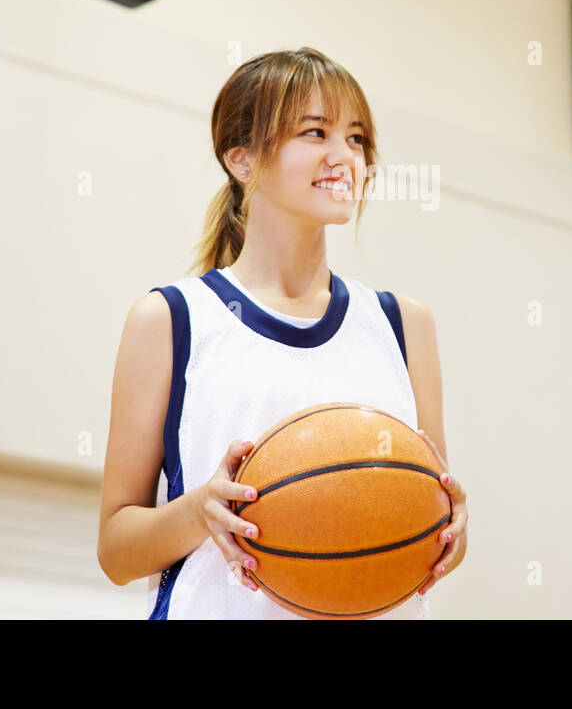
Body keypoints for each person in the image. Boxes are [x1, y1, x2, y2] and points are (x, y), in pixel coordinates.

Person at [97, 47, 468, 618]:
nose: (344, 157)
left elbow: (432, 523)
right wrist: (201, 511)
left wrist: (451, 529)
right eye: (316, 132)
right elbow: (117, 551)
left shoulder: (404, 326)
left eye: (357, 139)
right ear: (242, 159)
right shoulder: (171, 319)